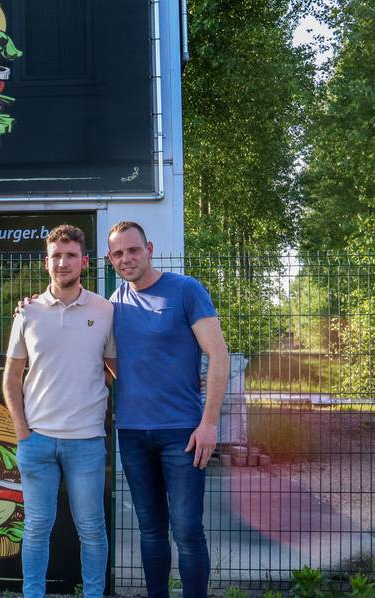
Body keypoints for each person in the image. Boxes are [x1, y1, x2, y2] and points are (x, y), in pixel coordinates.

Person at [106, 220, 228, 598]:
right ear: (111, 259)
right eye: (118, 253)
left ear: (150, 249)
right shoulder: (113, 304)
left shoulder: (186, 290)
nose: (127, 258)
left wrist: (208, 424)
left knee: (188, 530)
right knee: (150, 529)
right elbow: (111, 361)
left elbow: (219, 356)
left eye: (133, 250)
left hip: (183, 434)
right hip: (132, 433)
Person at [3, 224, 116, 598]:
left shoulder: (104, 310)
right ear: (46, 262)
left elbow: (113, 369)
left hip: (85, 442)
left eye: (70, 255)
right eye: (56, 256)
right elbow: (11, 379)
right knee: (36, 528)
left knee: (92, 529)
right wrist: (23, 434)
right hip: (37, 442)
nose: (63, 262)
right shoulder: (28, 312)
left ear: (83, 261)